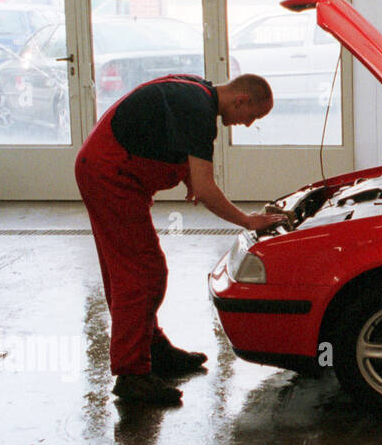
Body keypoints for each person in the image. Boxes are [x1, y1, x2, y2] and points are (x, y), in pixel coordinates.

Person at [75, 72, 281, 406]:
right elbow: (206, 189)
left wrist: (185, 174)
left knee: (139, 271)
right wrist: (247, 220)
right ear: (241, 100)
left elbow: (162, 125)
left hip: (111, 171)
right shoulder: (199, 113)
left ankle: (153, 351)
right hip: (108, 176)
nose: (246, 124)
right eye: (252, 116)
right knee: (140, 274)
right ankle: (132, 376)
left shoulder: (198, 91)